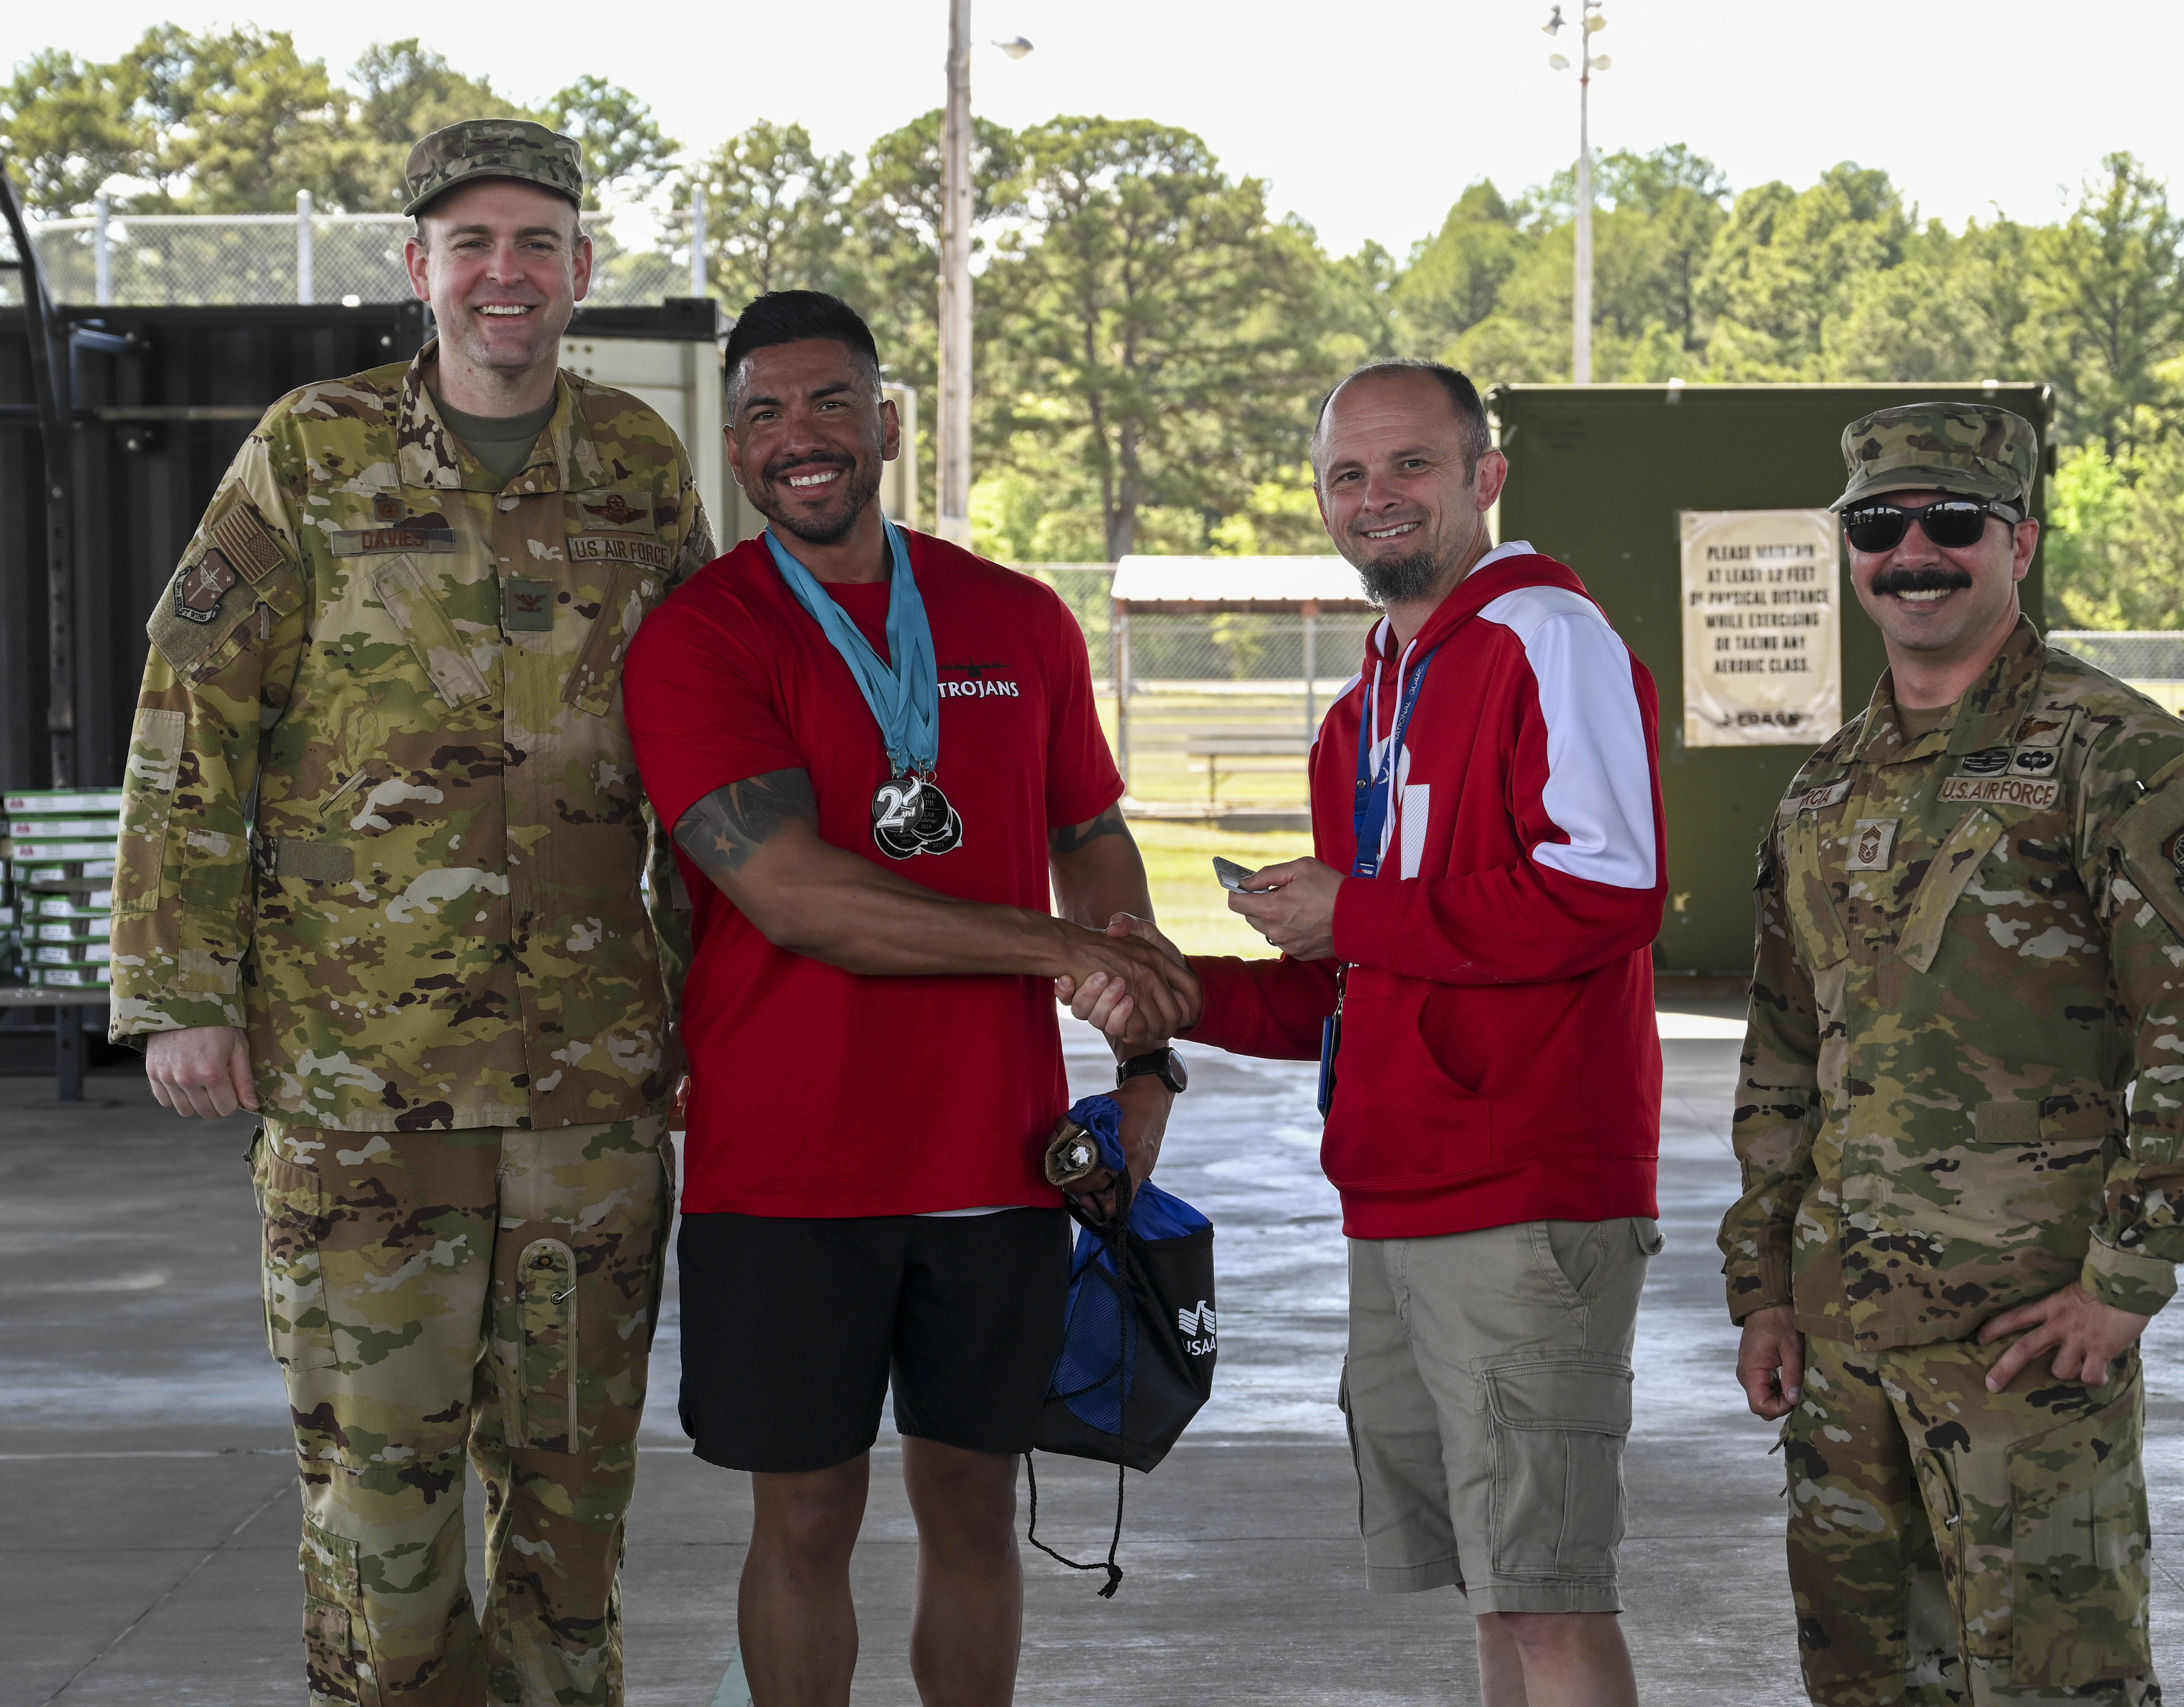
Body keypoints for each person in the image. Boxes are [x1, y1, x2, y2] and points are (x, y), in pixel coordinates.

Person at [111, 118, 713, 1706]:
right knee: (381, 1514)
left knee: (573, 1513)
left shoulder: (640, 469)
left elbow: (712, 752)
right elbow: (195, 704)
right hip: (359, 1084)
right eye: (472, 243)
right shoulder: (312, 452)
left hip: (591, 1093)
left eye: (535, 243)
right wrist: (181, 987)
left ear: (581, 271)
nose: (503, 272)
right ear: (420, 269)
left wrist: (719, 1009)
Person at [619, 289, 1196, 1707]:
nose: (798, 437)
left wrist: (1137, 1030)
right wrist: (1059, 956)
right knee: (806, 1518)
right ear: (735, 448)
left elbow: (1086, 836)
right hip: (787, 1161)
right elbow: (799, 896)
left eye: (827, 405)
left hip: (994, 1159)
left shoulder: (1013, 615)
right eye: (763, 413)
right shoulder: (701, 636)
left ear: (884, 423)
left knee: (973, 1504)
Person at [1066, 358, 1668, 1707]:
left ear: (1485, 479)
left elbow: (1610, 890)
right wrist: (1186, 988)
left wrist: (1363, 912)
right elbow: (1364, 978)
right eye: (1348, 475)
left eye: (1411, 467)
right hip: (1400, 1194)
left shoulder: (1543, 637)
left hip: (1524, 1189)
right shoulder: (1367, 708)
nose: (1376, 497)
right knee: (1499, 1597)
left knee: (1547, 1598)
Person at [1720, 402, 2184, 1705]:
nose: (1915, 552)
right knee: (1863, 1681)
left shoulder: (2117, 754)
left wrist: (2130, 1275)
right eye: (1879, 525)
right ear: (1851, 551)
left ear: (2018, 542)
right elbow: (1785, 1055)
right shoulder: (1826, 785)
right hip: (1841, 1352)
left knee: (2052, 1681)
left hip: (2026, 1347)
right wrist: (1762, 1285)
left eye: (1952, 522)